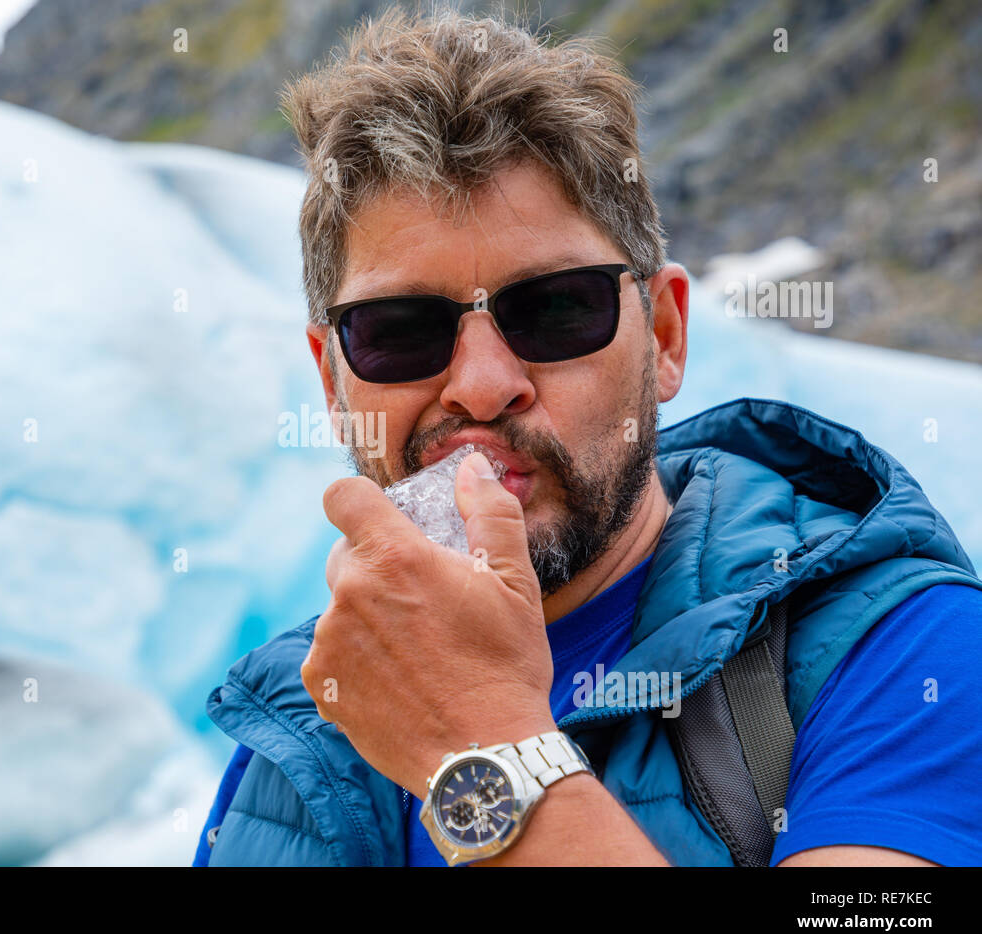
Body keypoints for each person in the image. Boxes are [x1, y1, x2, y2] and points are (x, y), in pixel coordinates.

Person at [193, 6, 982, 866]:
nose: (483, 385)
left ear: (668, 337)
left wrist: (481, 742)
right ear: (333, 381)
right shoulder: (296, 730)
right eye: (398, 329)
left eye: (558, 308)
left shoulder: (906, 649)